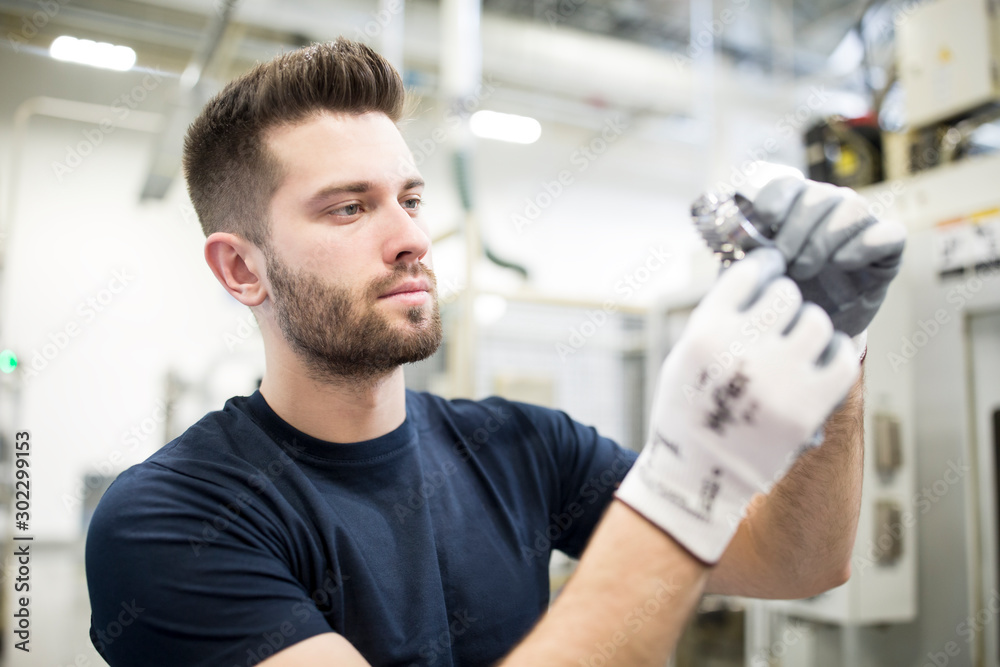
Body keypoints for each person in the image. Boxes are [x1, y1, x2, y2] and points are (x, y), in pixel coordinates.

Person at [85, 38, 904, 667]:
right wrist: (684, 483)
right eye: (347, 208)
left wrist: (836, 368)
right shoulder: (171, 522)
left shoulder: (522, 447)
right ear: (241, 267)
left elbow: (801, 562)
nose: (412, 238)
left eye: (410, 199)